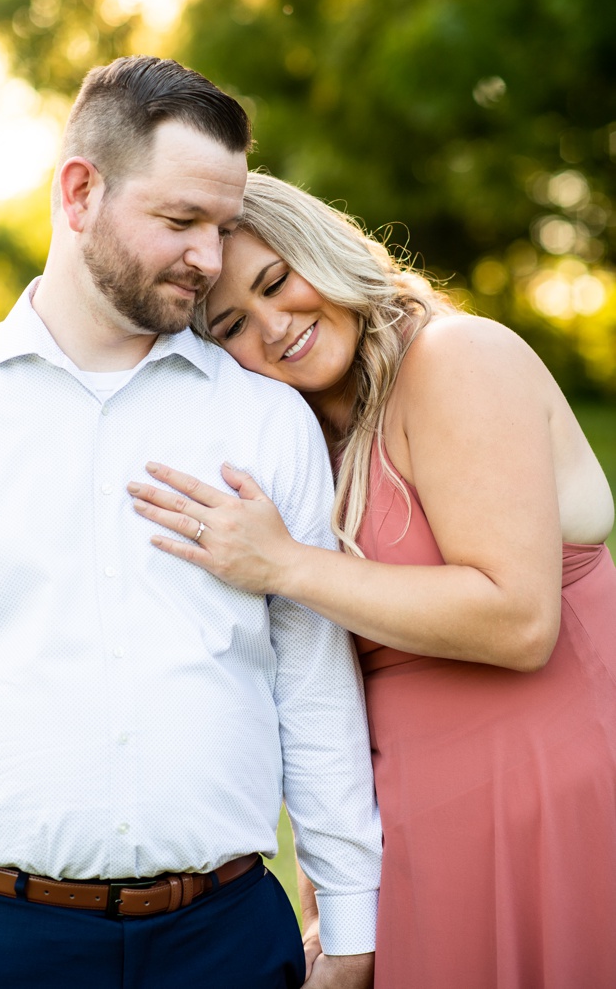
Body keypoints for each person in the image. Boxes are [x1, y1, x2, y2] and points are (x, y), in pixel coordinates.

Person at [0, 57, 380, 989]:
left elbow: (313, 682)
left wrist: (351, 924)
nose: (209, 256)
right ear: (80, 191)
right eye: (180, 221)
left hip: (226, 939)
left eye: (225, 226)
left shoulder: (266, 418)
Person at [129, 172, 616, 988]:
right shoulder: (304, 434)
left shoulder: (458, 357)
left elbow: (520, 620)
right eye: (234, 324)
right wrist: (329, 891)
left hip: (553, 797)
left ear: (324, 247)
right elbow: (325, 683)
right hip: (416, 826)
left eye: (278, 281)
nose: (275, 327)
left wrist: (283, 562)